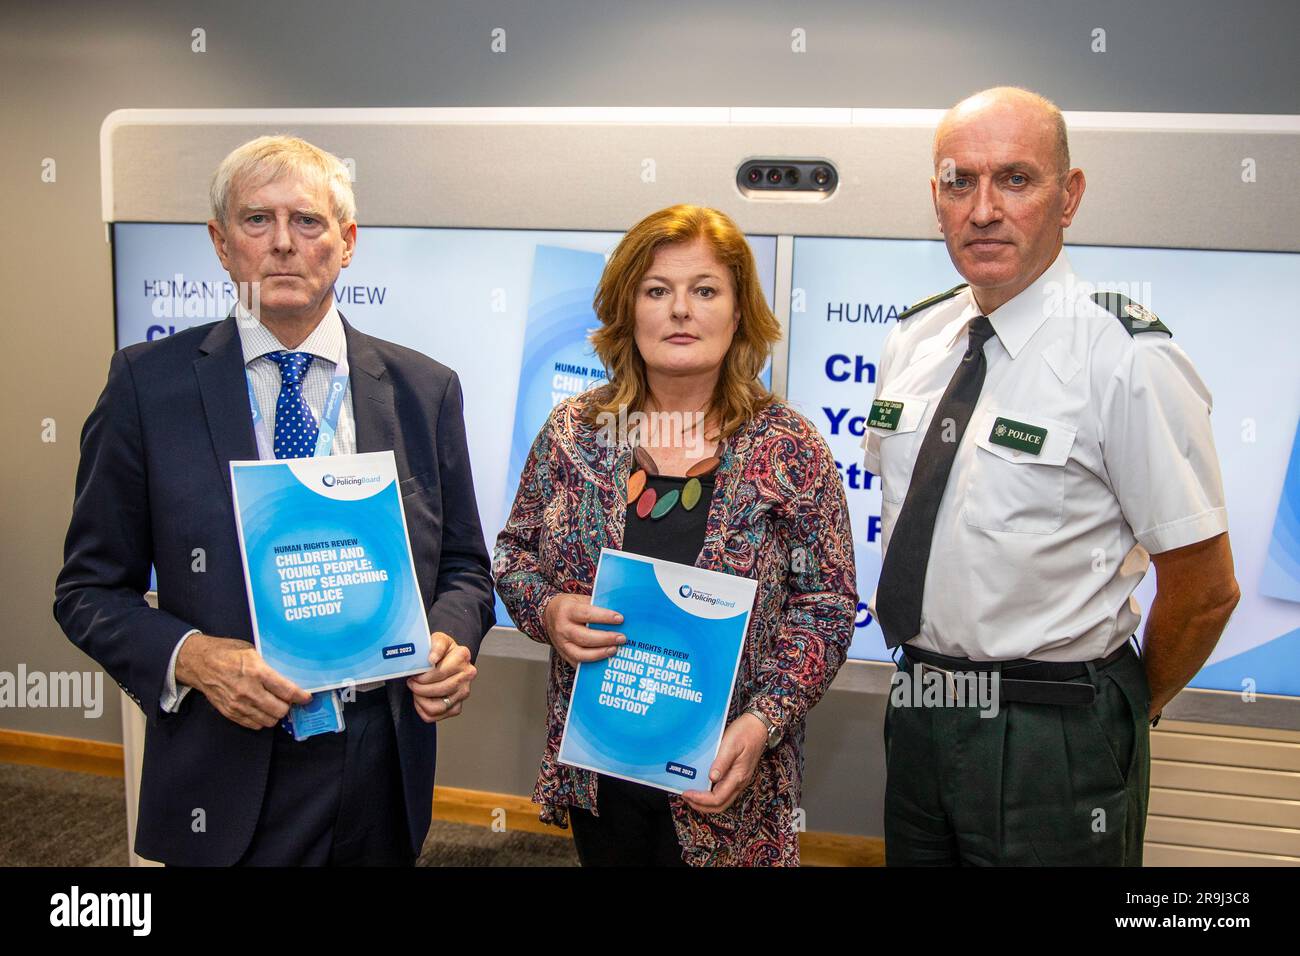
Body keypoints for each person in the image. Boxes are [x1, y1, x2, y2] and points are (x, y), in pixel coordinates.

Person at [54, 135, 495, 866]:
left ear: (348, 243)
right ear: (221, 244)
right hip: (225, 768)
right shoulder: (147, 386)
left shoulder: (424, 389)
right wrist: (192, 657)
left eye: (310, 222)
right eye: (257, 221)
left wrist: (450, 640)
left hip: (380, 765)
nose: (284, 244)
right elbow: (87, 590)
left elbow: (463, 565)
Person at [866, 87, 1241, 866]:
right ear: (934, 199)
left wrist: (1115, 713)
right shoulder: (914, 340)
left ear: (1068, 197)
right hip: (922, 704)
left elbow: (1205, 591)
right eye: (958, 181)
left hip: (1056, 731)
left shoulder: (1124, 357)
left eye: (1015, 179)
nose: (983, 209)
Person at [494, 204, 857, 866]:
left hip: (730, 780)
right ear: (628, 310)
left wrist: (762, 722)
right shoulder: (573, 434)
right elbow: (513, 558)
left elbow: (826, 606)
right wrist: (547, 611)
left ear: (740, 311)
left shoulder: (791, 449)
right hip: (601, 777)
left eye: (706, 290)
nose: (681, 310)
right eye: (657, 291)